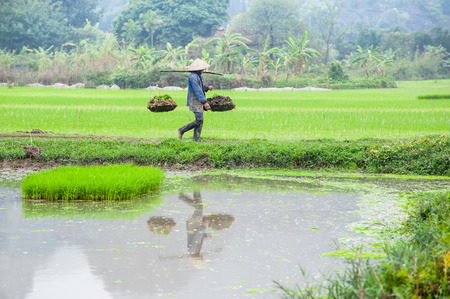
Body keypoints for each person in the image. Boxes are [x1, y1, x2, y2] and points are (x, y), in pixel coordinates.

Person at [178, 58, 214, 142]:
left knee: (200, 119)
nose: (203, 69)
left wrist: (208, 88)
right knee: (199, 120)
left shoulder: (199, 76)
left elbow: (201, 87)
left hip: (198, 100)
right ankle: (182, 130)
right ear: (199, 68)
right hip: (195, 100)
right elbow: (198, 90)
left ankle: (196, 138)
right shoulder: (193, 77)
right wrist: (205, 102)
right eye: (202, 68)